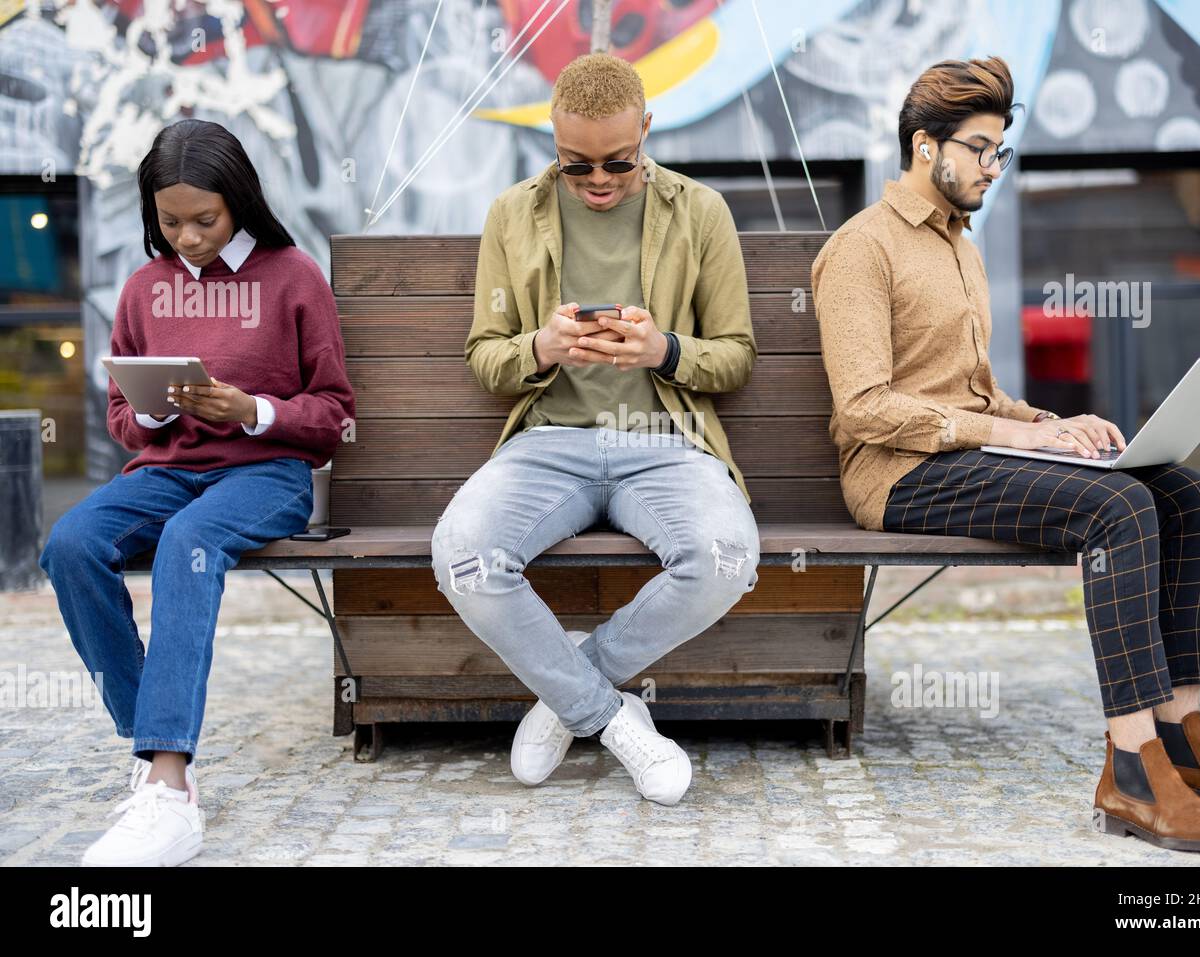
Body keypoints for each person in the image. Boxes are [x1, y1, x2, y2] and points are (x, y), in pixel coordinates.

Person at [811, 56, 1200, 851]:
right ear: (926, 147)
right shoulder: (863, 249)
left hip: (963, 457)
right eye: (979, 149)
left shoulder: (961, 245)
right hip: (896, 475)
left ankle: (1183, 738)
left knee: (1191, 496)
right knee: (1119, 507)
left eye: (1001, 151)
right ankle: (1133, 771)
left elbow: (976, 391)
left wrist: (1051, 421)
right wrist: (1016, 435)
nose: (993, 168)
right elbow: (865, 408)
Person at [431, 53, 760, 806]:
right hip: (549, 442)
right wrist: (540, 347)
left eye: (619, 161)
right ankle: (613, 721)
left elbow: (736, 355)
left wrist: (664, 349)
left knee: (727, 555)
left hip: (666, 443)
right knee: (463, 554)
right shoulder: (514, 213)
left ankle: (568, 689)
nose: (599, 181)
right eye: (576, 166)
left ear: (647, 128)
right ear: (553, 139)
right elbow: (485, 355)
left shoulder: (699, 211)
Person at [39, 118, 356, 866]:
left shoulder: (293, 275)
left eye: (203, 218)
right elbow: (125, 421)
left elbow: (334, 415)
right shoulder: (145, 288)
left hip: (265, 473)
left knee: (189, 544)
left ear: (238, 199)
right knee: (70, 544)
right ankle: (152, 747)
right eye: (169, 220)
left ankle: (171, 792)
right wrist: (156, 406)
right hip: (166, 469)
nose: (186, 235)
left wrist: (249, 410)